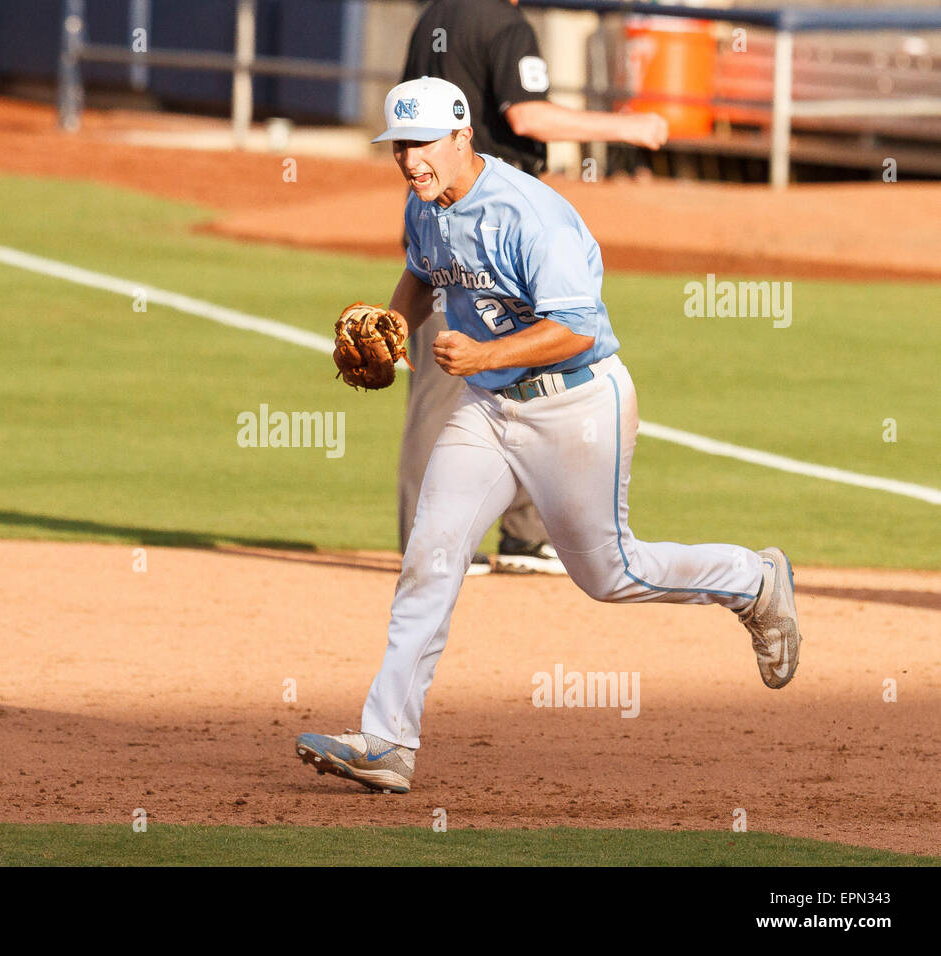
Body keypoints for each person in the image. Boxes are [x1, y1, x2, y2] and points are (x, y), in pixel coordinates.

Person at [294, 77, 801, 795]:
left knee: (610, 575)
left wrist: (482, 355)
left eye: (422, 144)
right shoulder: (424, 204)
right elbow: (420, 274)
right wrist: (399, 322)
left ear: (463, 136)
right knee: (430, 557)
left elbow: (577, 327)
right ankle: (387, 740)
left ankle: (753, 580)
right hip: (487, 412)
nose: (409, 161)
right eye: (400, 146)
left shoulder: (530, 214)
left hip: (579, 407)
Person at [398, 0, 669, 577]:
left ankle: (514, 534)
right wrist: (625, 126)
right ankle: (449, 545)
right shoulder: (507, 24)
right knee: (477, 381)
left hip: (448, 216)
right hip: (492, 219)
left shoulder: (434, 16)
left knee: (489, 381)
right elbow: (526, 117)